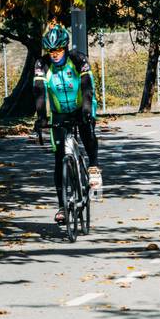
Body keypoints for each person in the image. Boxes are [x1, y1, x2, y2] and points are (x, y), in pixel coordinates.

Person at [34, 24, 102, 222]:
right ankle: (62, 207)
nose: (54, 54)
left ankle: (94, 167)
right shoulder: (42, 64)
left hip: (82, 105)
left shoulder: (78, 59)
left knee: (87, 132)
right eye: (51, 51)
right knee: (59, 158)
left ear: (65, 48)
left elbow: (87, 87)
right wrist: (41, 117)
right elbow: (39, 91)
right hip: (59, 113)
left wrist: (88, 111)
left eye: (58, 50)